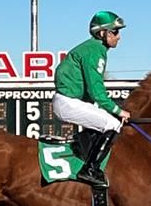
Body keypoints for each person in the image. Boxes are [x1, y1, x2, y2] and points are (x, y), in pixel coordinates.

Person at [52, 11, 131, 188]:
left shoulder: (94, 48)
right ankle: (90, 170)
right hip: (68, 102)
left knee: (105, 122)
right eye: (115, 32)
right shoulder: (95, 50)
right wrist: (119, 111)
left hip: (70, 100)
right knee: (113, 124)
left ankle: (82, 150)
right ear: (103, 33)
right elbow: (96, 91)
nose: (119, 37)